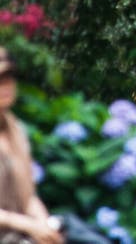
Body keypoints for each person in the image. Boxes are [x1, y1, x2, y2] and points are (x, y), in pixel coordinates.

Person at [0, 48, 63, 244]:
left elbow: (27, 197)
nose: (6, 86)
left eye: (9, 78)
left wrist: (44, 226)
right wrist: (28, 225)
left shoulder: (15, 130)